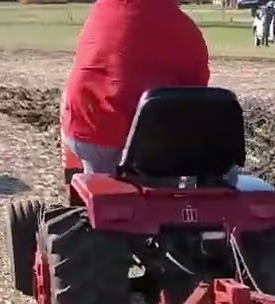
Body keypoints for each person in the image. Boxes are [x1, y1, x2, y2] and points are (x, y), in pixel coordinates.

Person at [60, 0, 211, 175]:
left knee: (102, 184)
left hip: (95, 128)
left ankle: (95, 184)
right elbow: (197, 91)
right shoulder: (187, 30)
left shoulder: (102, 11)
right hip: (157, 139)